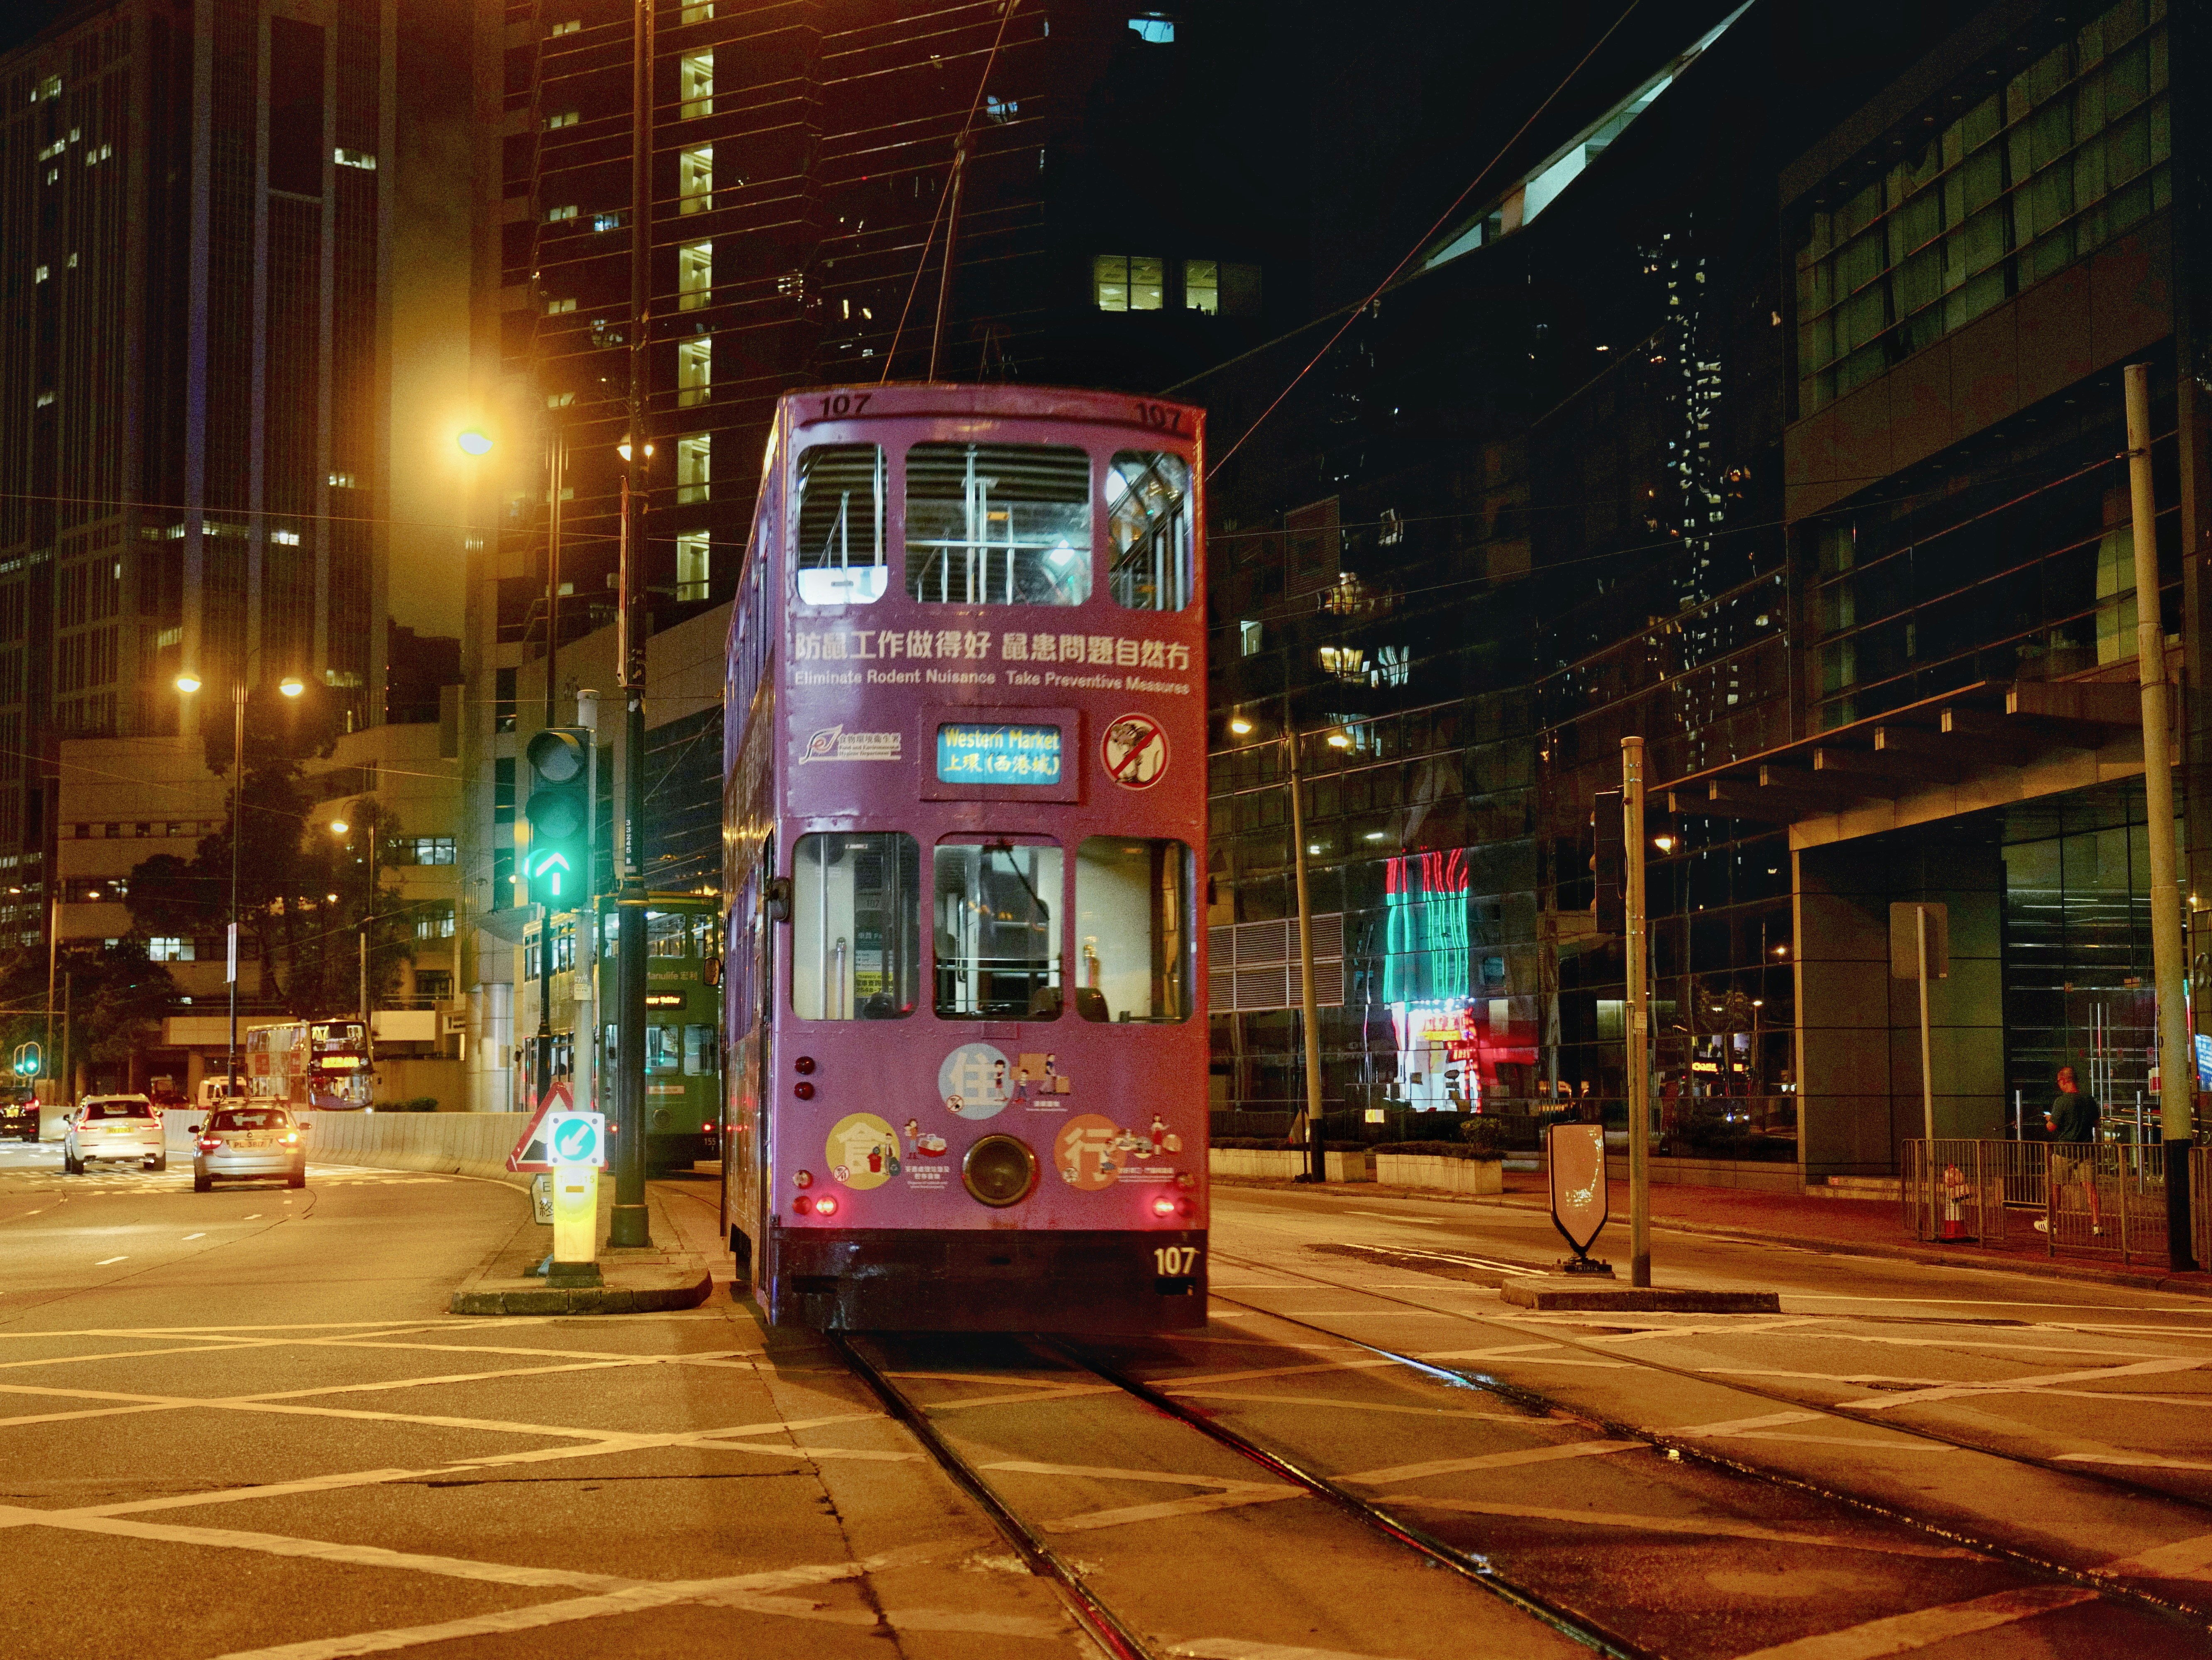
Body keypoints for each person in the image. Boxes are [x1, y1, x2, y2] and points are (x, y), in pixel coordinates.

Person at [2036, 1064, 2102, 1236]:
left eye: (2059, 1081)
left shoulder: (2061, 1102)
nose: (2059, 1084)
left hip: (2064, 1151)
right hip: (2086, 1150)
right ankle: (2096, 1224)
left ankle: (2053, 1223)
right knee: (2091, 1188)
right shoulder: (2089, 1100)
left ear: (2063, 1081)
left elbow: (2051, 1127)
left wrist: (2050, 1118)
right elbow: (2096, 1123)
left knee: (2056, 1187)